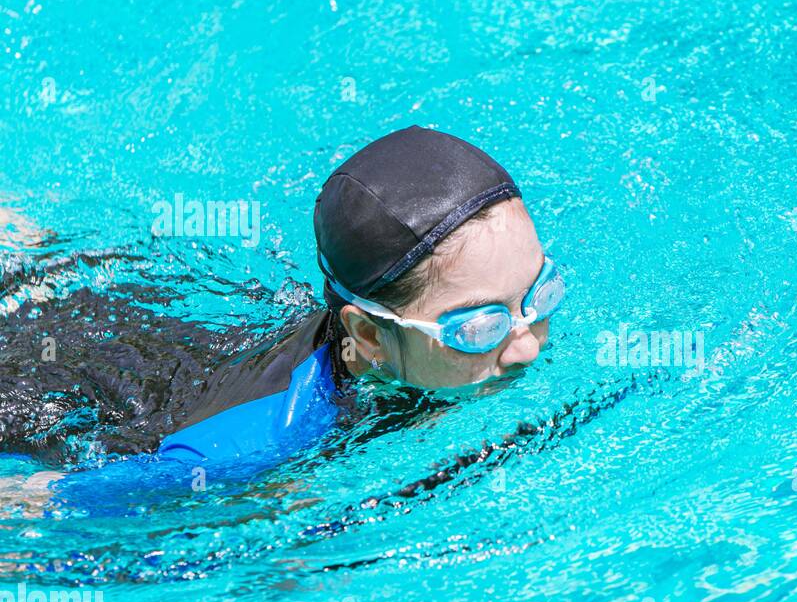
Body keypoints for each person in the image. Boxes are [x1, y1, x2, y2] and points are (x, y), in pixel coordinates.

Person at [0, 126, 565, 512]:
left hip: (184, 338)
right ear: (368, 334)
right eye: (479, 329)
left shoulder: (410, 354)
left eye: (540, 295)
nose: (527, 346)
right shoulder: (242, 448)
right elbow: (39, 504)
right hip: (46, 376)